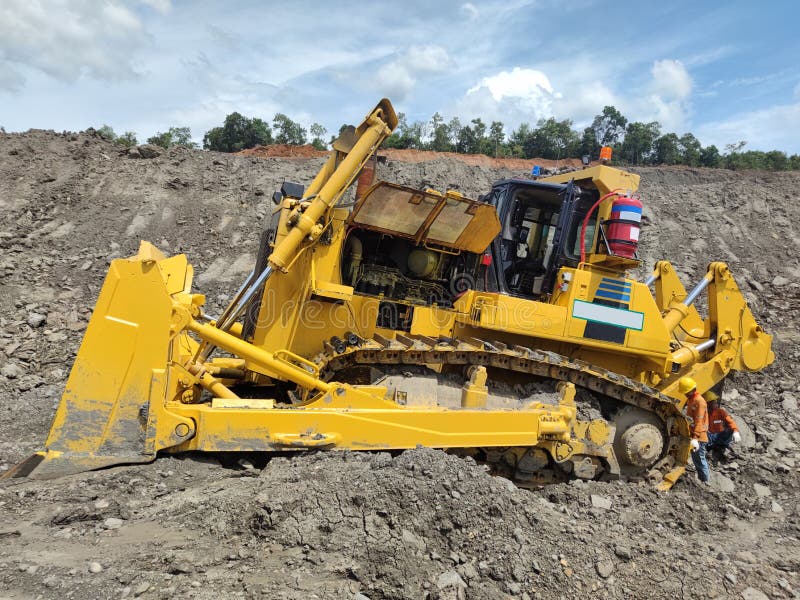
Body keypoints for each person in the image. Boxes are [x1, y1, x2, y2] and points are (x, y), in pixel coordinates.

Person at [679, 376, 709, 483]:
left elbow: (699, 421)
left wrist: (696, 438)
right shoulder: (691, 400)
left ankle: (705, 482)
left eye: (686, 392)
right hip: (692, 435)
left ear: (692, 389)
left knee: (699, 460)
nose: (685, 394)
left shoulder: (700, 401)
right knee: (694, 459)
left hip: (699, 437)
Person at [705, 390, 742, 459]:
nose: (716, 404)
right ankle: (712, 447)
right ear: (708, 404)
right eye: (714, 402)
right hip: (708, 438)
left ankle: (721, 446)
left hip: (719, 436)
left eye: (716, 402)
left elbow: (730, 422)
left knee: (730, 429)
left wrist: (735, 431)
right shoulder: (703, 414)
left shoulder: (720, 412)